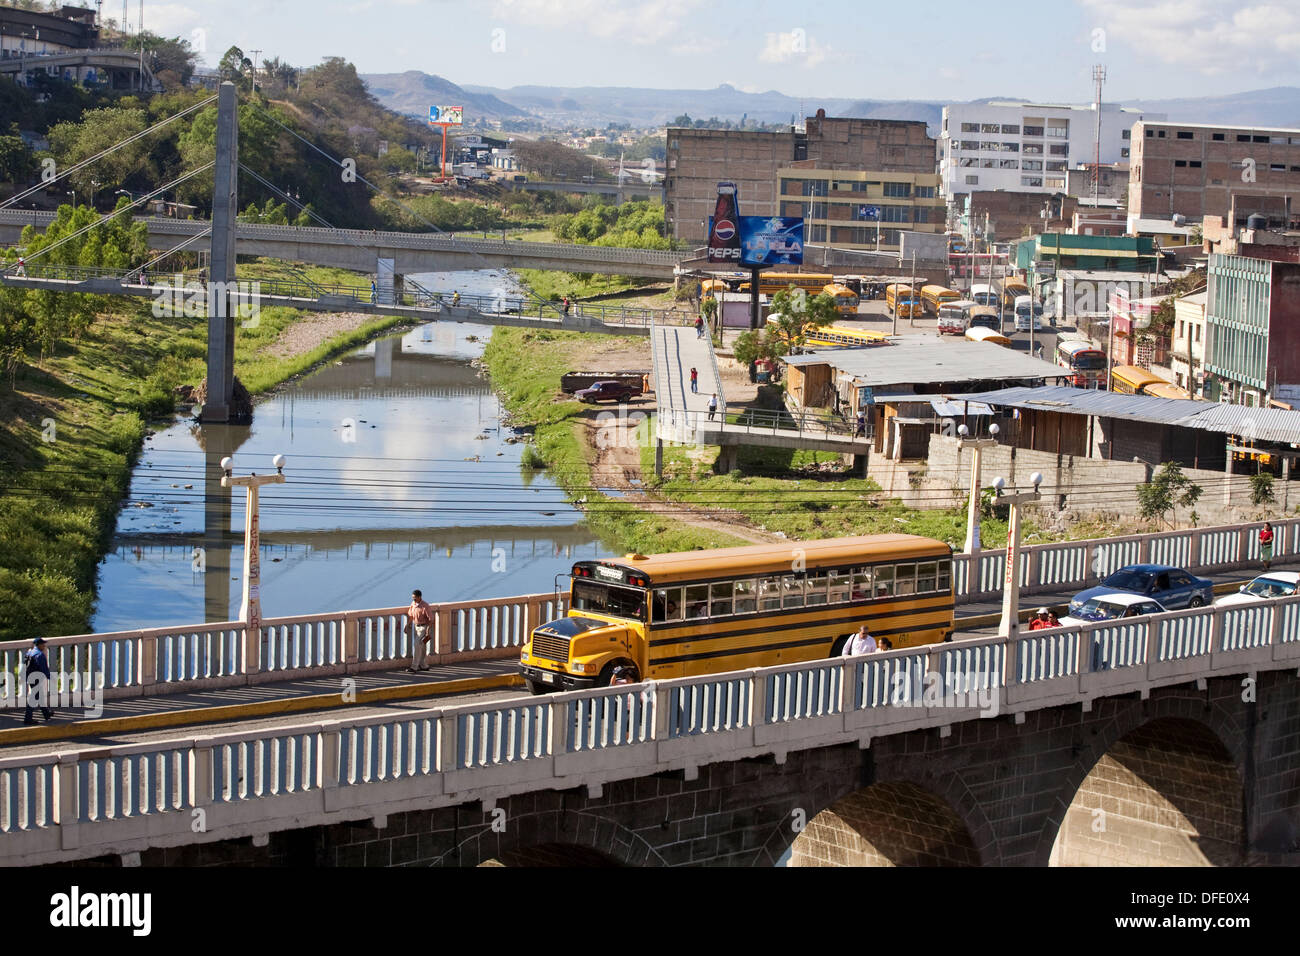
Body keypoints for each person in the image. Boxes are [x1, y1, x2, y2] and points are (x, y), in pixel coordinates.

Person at [24, 637, 53, 725]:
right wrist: (50, 677)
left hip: (30, 677)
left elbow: (25, 664)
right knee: (35, 698)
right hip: (36, 677)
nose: (44, 645)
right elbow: (44, 668)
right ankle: (27, 718)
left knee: (39, 696)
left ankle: (46, 714)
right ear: (39, 645)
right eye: (43, 644)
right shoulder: (40, 655)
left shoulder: (29, 652)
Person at [404, 589, 433, 672]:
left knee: (417, 644)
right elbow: (411, 616)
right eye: (413, 598)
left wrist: (427, 630)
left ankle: (414, 666)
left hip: (423, 628)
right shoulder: (413, 604)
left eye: (415, 598)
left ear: (420, 597)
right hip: (416, 627)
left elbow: (431, 619)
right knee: (422, 646)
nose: (414, 599)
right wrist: (407, 625)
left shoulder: (425, 606)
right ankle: (424, 665)